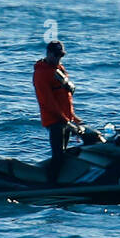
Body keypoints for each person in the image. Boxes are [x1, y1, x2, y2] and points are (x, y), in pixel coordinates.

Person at [33, 40, 86, 182]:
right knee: (58, 155)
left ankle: (63, 180)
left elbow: (64, 98)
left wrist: (72, 117)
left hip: (65, 119)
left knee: (63, 153)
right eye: (56, 55)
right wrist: (65, 120)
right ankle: (51, 183)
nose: (58, 58)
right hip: (55, 120)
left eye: (60, 56)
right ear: (48, 53)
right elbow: (48, 102)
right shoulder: (42, 73)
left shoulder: (59, 68)